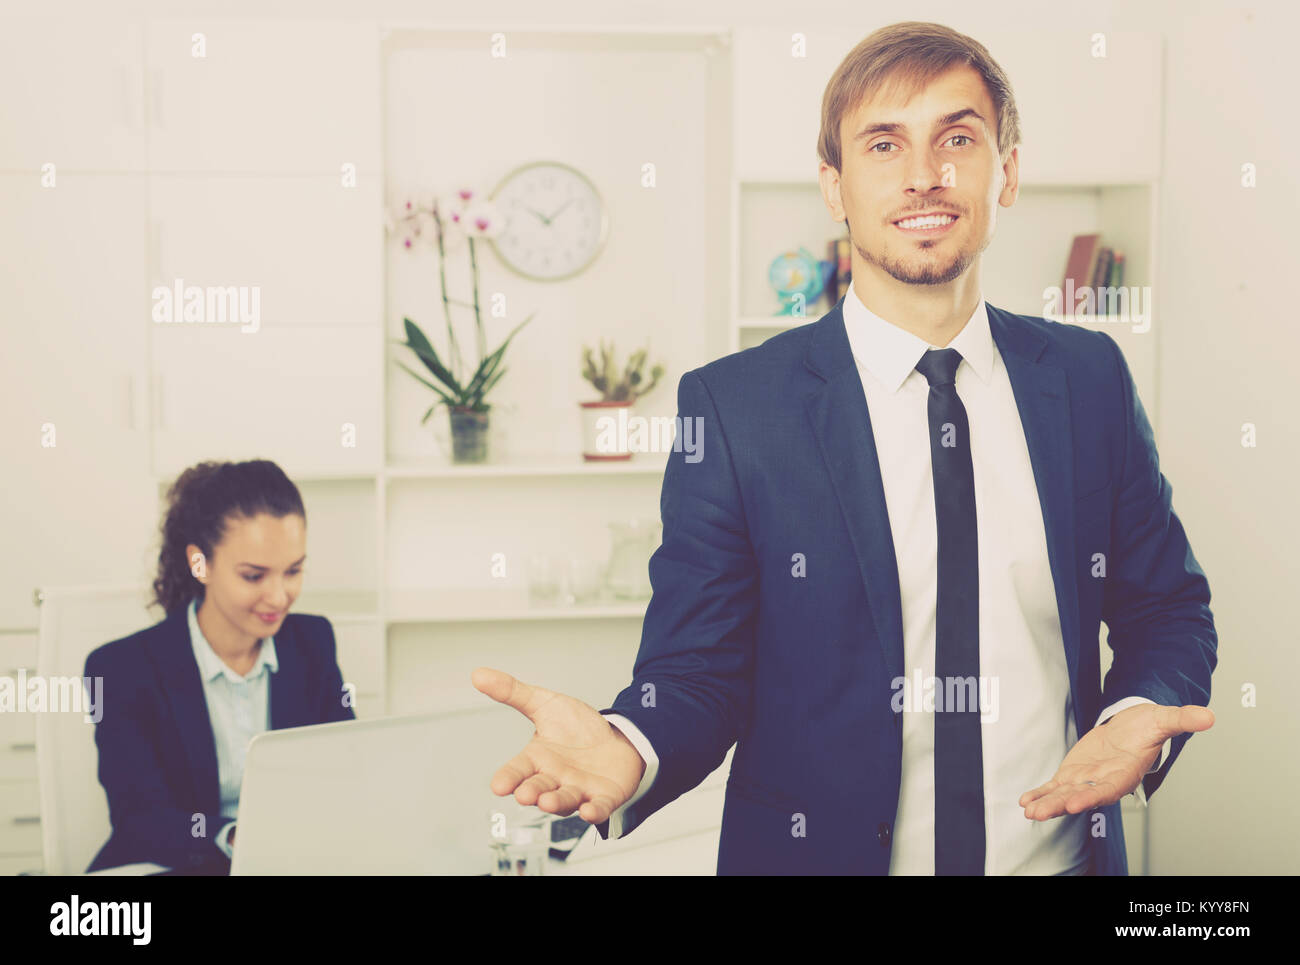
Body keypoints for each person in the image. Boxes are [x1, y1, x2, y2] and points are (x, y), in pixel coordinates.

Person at [474, 21, 1217, 875]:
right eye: (882, 144)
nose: (923, 175)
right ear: (834, 185)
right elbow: (699, 667)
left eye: (959, 139)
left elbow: (1166, 609)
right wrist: (630, 742)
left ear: (1007, 170)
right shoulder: (733, 406)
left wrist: (1136, 717)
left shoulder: (1089, 380)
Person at [85, 459, 355, 874]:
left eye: (294, 571)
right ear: (201, 565)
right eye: (254, 576)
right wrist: (232, 836)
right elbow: (138, 818)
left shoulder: (312, 643)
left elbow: (346, 767)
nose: (280, 596)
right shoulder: (120, 670)